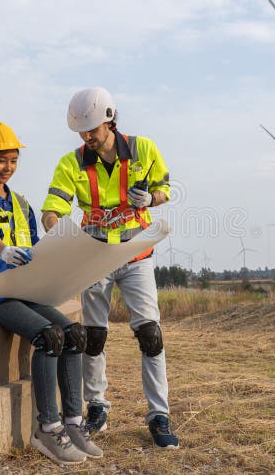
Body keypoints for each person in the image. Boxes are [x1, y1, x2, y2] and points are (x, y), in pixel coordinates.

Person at [0, 121, 103, 465]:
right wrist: (2, 250)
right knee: (49, 337)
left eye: (13, 160)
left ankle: (74, 423)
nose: (8, 168)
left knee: (74, 333)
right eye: (1, 160)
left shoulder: (21, 203)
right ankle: (48, 427)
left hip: (16, 290)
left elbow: (35, 248)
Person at [41, 88, 179, 449]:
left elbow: (166, 188)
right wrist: (55, 227)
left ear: (110, 119)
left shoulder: (144, 149)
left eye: (93, 129)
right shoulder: (72, 163)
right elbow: (52, 208)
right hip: (95, 257)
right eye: (82, 131)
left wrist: (151, 198)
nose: (88, 137)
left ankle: (159, 415)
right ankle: (97, 408)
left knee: (150, 334)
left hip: (136, 255)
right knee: (93, 337)